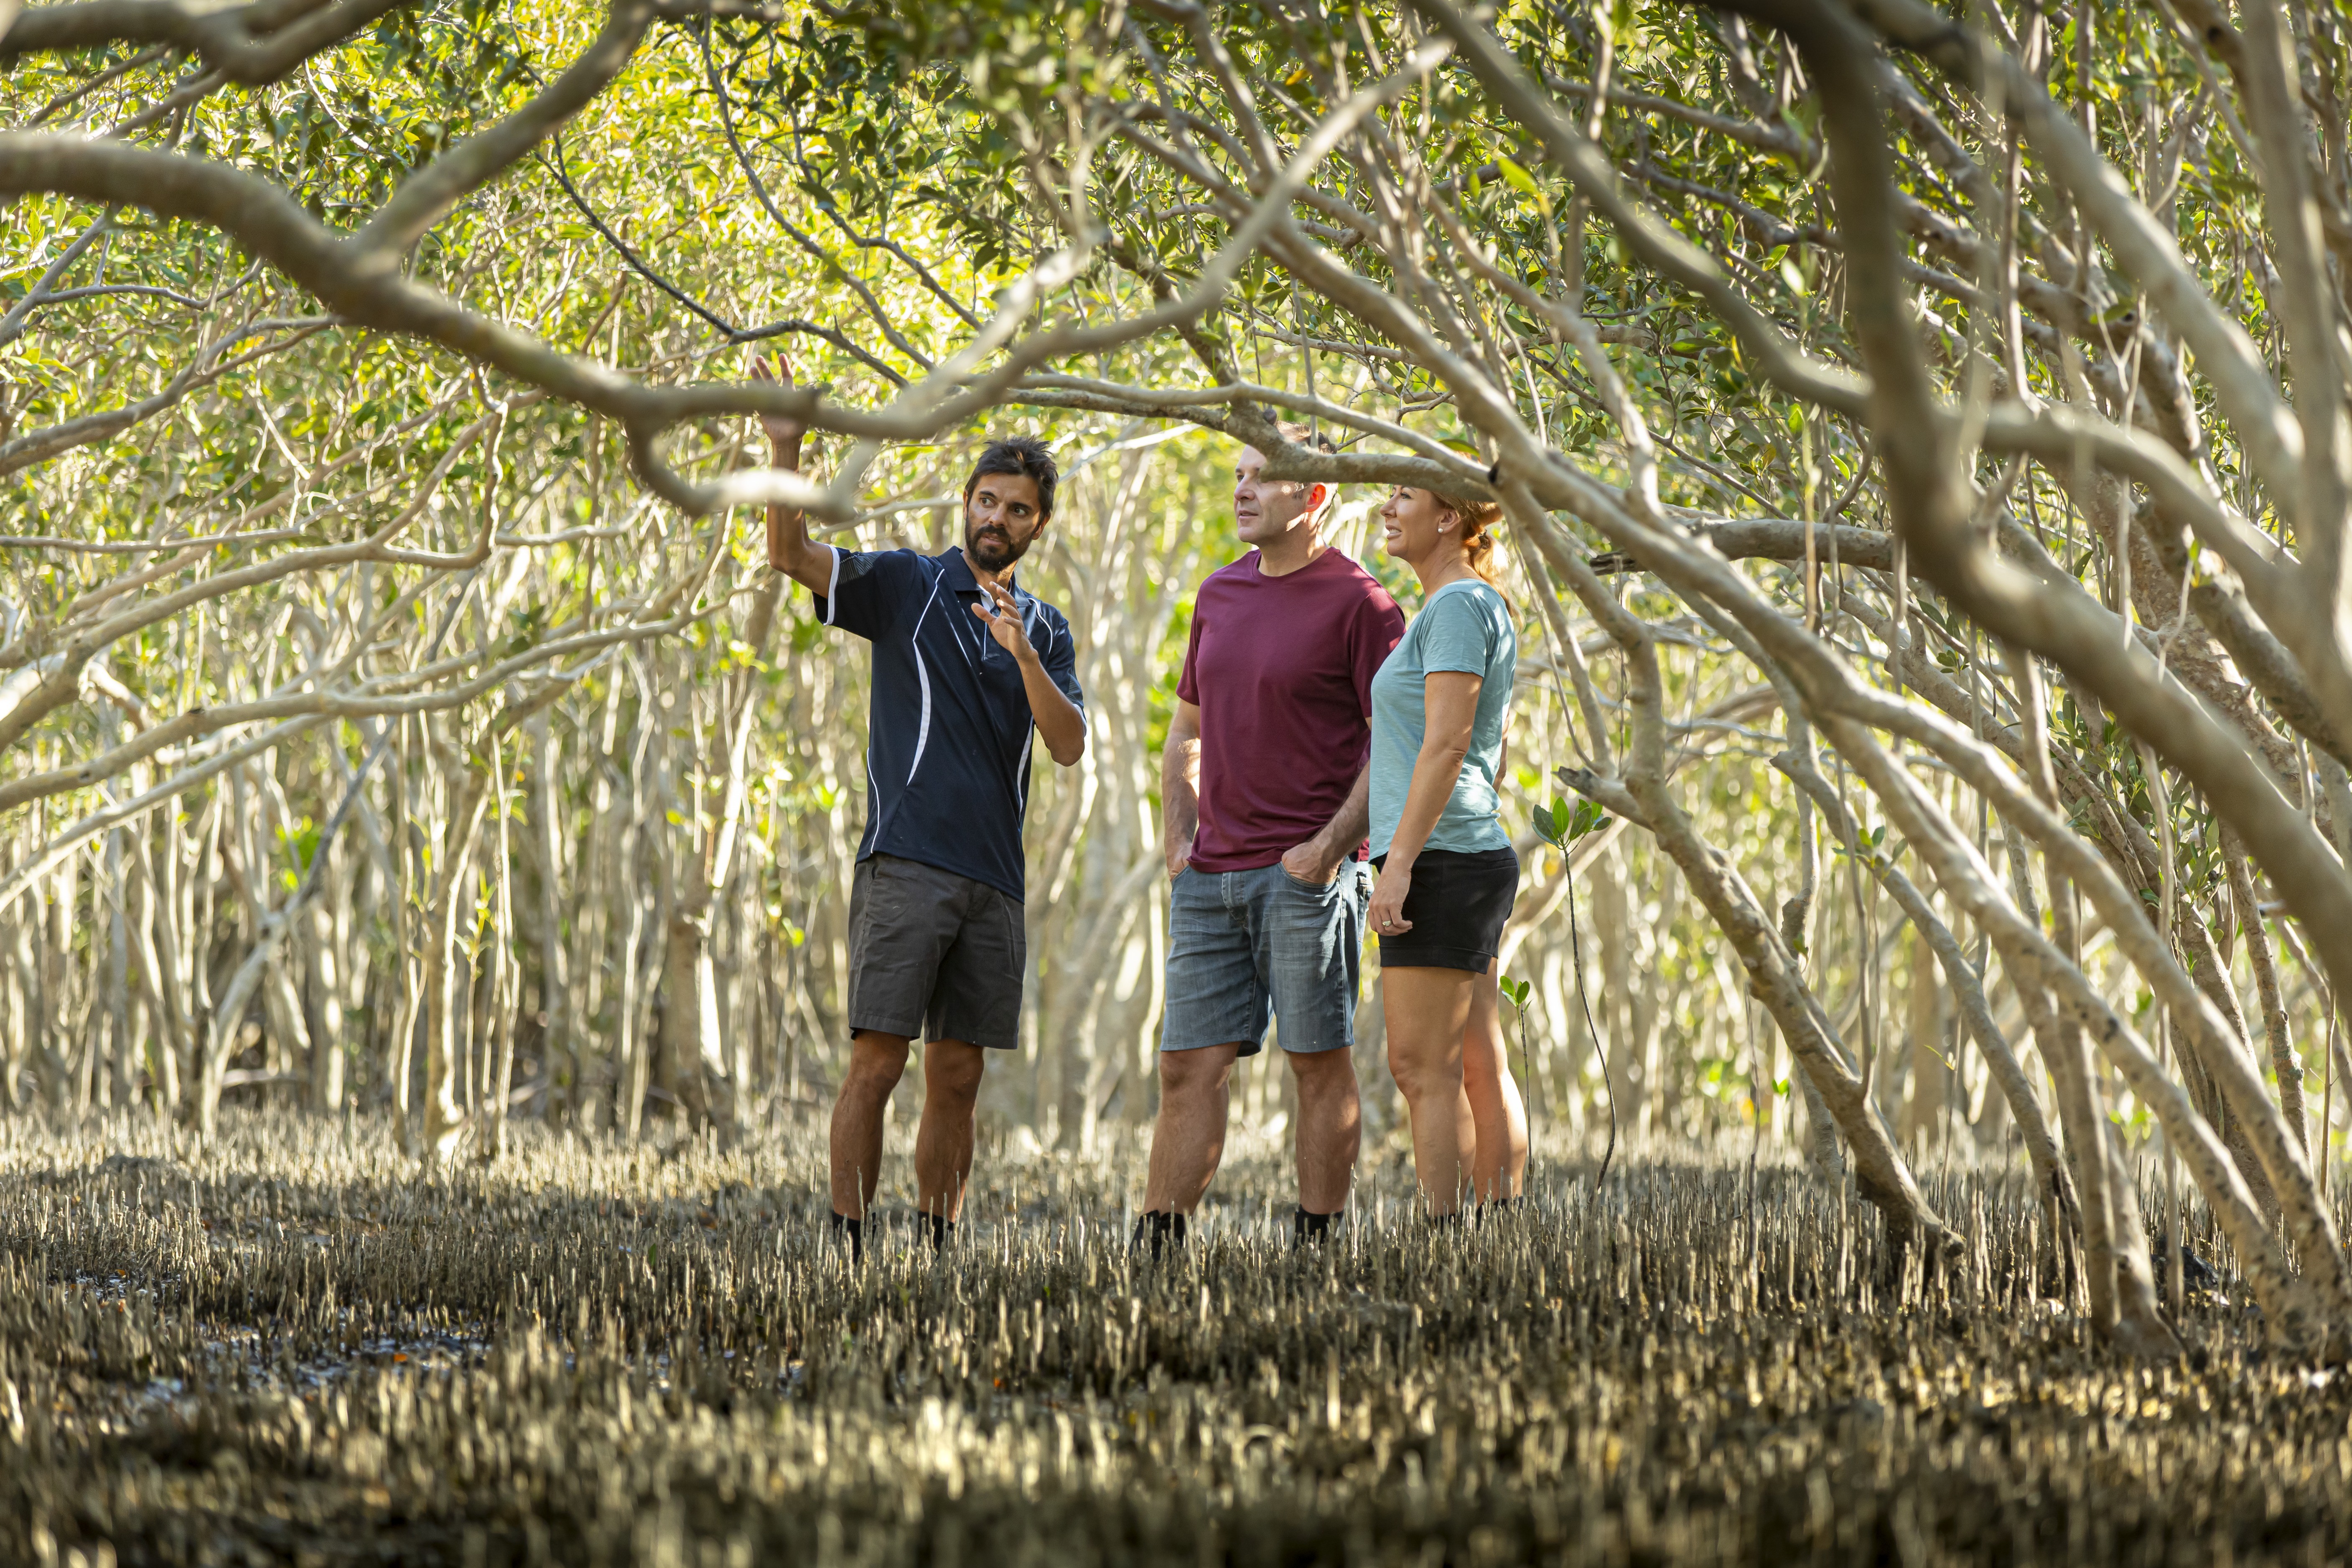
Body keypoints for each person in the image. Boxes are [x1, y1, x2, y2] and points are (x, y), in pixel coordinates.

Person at [759, 377, 1086, 1261]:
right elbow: (792, 555)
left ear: (1036, 527)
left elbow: (1068, 744)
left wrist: (1022, 653)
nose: (997, 517)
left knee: (960, 1075)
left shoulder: (1047, 630)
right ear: (966, 501)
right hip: (905, 864)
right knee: (878, 1063)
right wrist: (786, 449)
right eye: (986, 499)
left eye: (1017, 509)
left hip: (995, 883)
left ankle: (938, 1245)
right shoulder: (909, 583)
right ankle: (848, 1246)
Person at [1135, 428, 1406, 1255]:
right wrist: (1180, 827)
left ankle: (1315, 1247)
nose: (1243, 491)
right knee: (1187, 1066)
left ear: (1314, 497)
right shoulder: (1218, 595)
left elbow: (1393, 744)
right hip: (1209, 877)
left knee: (1315, 1063)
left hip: (1308, 881)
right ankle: (1159, 1248)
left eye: (1263, 480)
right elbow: (1186, 728)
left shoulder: (1364, 604)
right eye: (1240, 477)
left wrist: (1329, 849)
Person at [1367, 480, 1525, 1219]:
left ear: (1449, 517)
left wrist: (1397, 864)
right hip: (1459, 851)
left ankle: (1443, 1236)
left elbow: (1451, 742)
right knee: (1472, 1057)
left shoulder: (1461, 605)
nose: (1387, 509)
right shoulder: (1455, 606)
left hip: (1443, 859)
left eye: (1403, 496)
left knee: (1421, 1065)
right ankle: (1496, 1228)